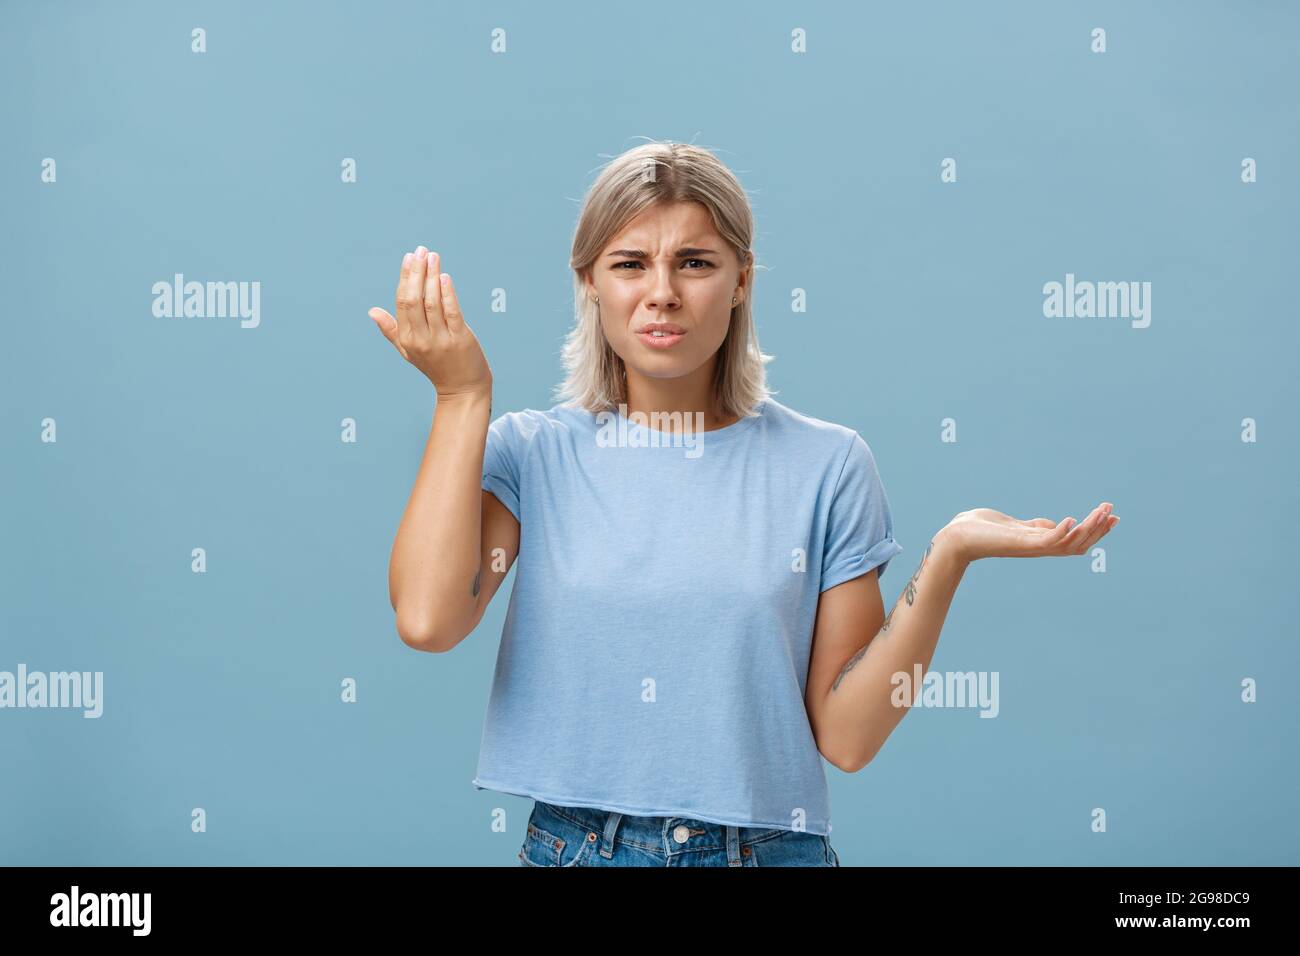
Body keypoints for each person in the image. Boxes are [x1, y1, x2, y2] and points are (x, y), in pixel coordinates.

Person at [369, 142, 1119, 867]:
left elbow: (848, 739)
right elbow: (430, 621)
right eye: (630, 263)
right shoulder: (533, 454)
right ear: (590, 282)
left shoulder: (828, 465)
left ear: (741, 281)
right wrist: (461, 394)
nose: (662, 291)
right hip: (576, 849)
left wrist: (950, 554)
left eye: (694, 262)